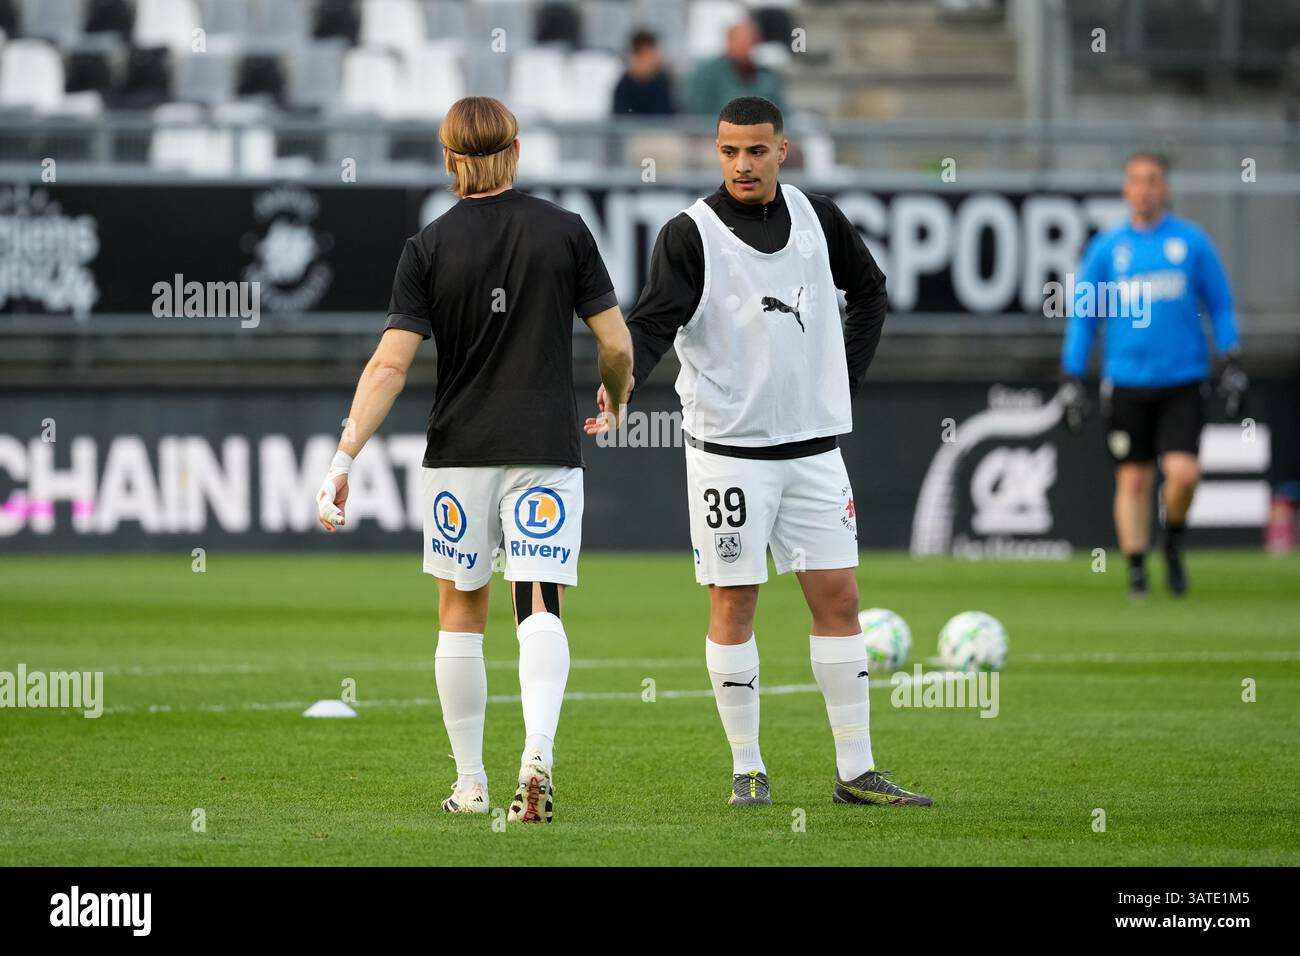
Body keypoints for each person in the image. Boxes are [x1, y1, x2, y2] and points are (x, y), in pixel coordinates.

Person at [588, 96, 930, 809]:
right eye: (728, 151)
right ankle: (747, 767)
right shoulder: (692, 233)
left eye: (756, 150)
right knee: (735, 601)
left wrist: (845, 378)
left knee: (839, 598)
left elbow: (869, 293)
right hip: (729, 451)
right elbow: (652, 324)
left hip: (812, 452)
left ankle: (856, 770)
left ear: (783, 149)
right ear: (718, 154)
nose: (742, 164)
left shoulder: (819, 218)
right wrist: (618, 390)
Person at [316, 96, 633, 823]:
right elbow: (616, 345)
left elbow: (389, 368)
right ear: (515, 153)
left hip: (459, 450)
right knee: (539, 600)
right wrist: (614, 400)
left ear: (448, 159)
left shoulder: (426, 247)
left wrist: (343, 456)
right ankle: (539, 753)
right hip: (545, 447)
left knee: (460, 612)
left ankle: (471, 784)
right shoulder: (567, 232)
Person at [1060, 151, 1246, 598]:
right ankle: (1138, 570)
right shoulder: (1107, 249)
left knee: (1183, 473)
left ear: (1165, 189)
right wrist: (1072, 375)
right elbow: (1085, 317)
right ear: (1126, 189)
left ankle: (1174, 542)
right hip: (1126, 381)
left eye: (1153, 180)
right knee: (1135, 477)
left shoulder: (1192, 243)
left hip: (1182, 378)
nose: (1145, 189)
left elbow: (1219, 303)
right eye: (1137, 180)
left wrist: (1232, 358)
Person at [685, 19, 784, 118]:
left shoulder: (766, 75)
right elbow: (698, 114)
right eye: (744, 41)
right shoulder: (706, 73)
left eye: (753, 41)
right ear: (729, 41)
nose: (749, 47)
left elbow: (781, 111)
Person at [612, 30, 675, 116]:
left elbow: (668, 117)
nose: (655, 58)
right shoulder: (624, 87)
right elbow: (622, 120)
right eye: (649, 54)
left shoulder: (661, 82)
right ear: (637, 55)